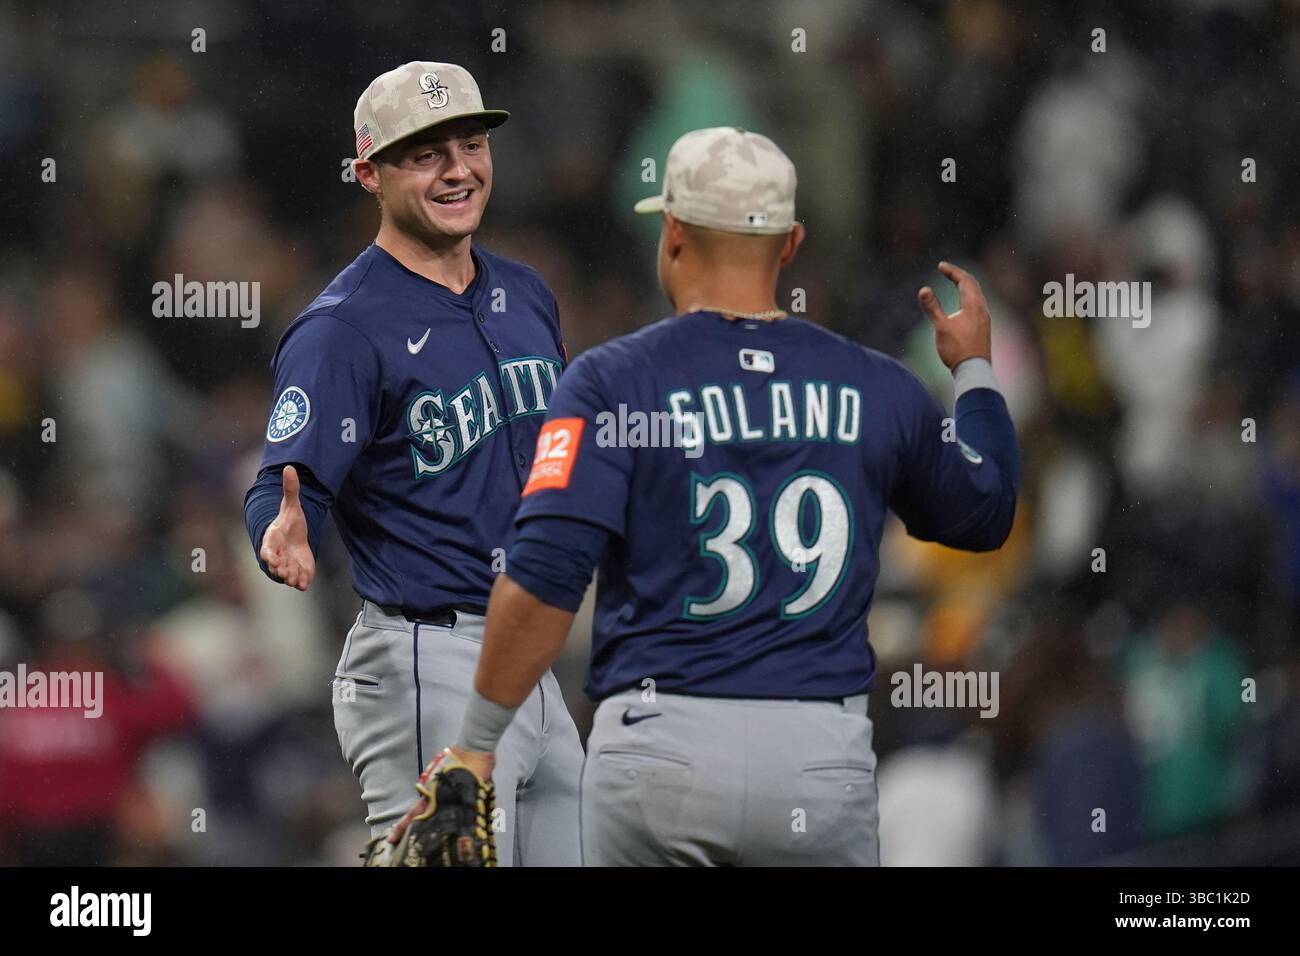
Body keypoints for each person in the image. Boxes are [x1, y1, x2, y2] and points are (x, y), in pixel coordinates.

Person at [408, 125, 1022, 865]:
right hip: (819, 761)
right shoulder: (880, 385)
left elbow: (542, 579)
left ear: (672, 232)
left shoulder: (614, 381)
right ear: (790, 245)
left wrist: (475, 749)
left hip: (663, 751)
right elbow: (986, 511)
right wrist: (976, 372)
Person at [241, 61, 583, 866]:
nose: (458, 168)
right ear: (370, 172)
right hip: (428, 655)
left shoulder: (528, 292)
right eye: (426, 154)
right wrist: (281, 530)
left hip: (531, 655)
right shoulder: (344, 328)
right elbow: (281, 485)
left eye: (470, 144)